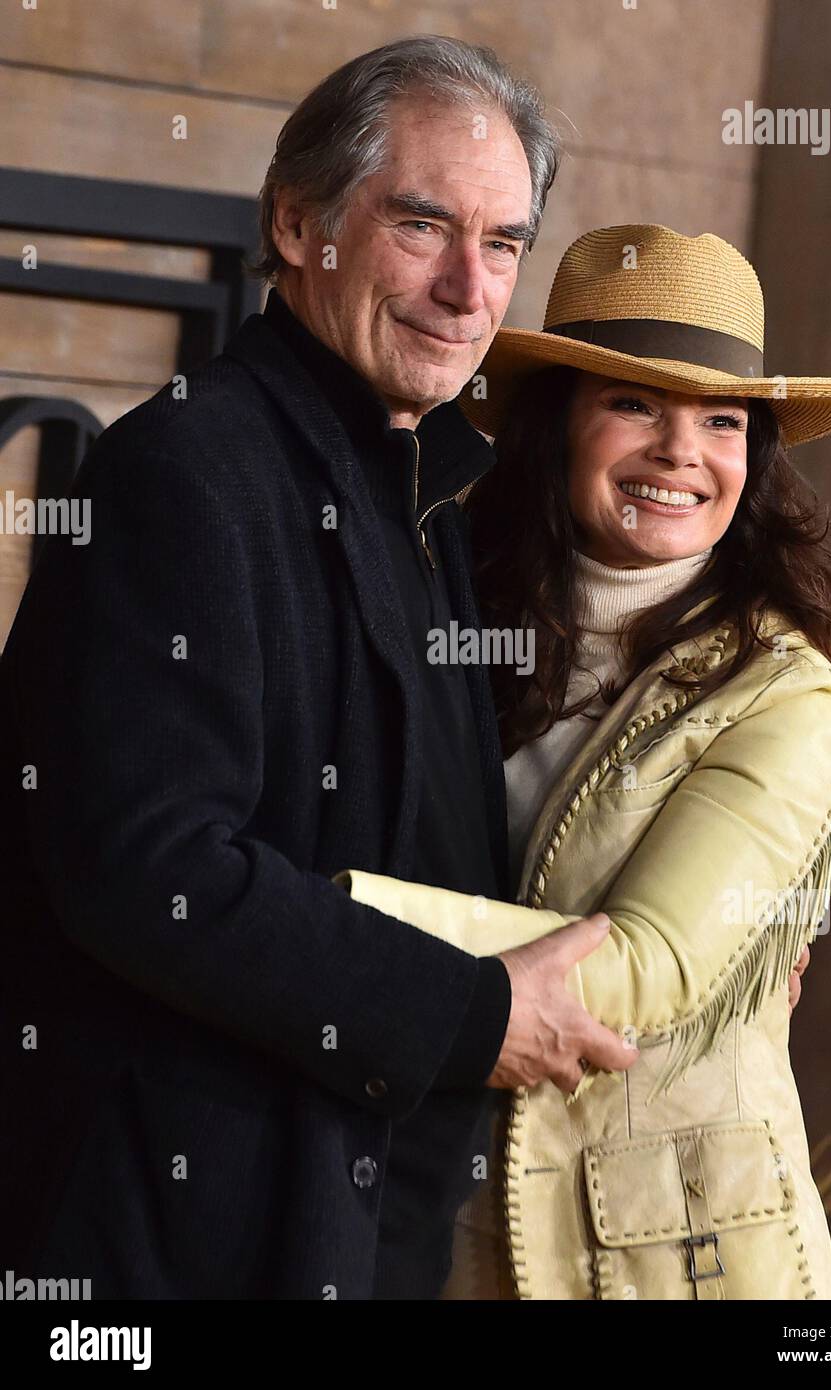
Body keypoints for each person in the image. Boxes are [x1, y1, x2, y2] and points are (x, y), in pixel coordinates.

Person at [0, 38, 638, 1301]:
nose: (468, 288)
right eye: (421, 224)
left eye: (503, 243)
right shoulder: (183, 471)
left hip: (350, 1220)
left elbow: (462, 829)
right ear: (294, 223)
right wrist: (467, 1016)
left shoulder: (433, 489)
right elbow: (150, 868)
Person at [335, 223, 831, 1299]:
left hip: (662, 1253)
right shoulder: (441, 604)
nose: (680, 452)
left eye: (721, 420)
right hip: (421, 1201)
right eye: (635, 404)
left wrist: (289, 916)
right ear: (557, 425)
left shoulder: (789, 696)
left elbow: (646, 967)